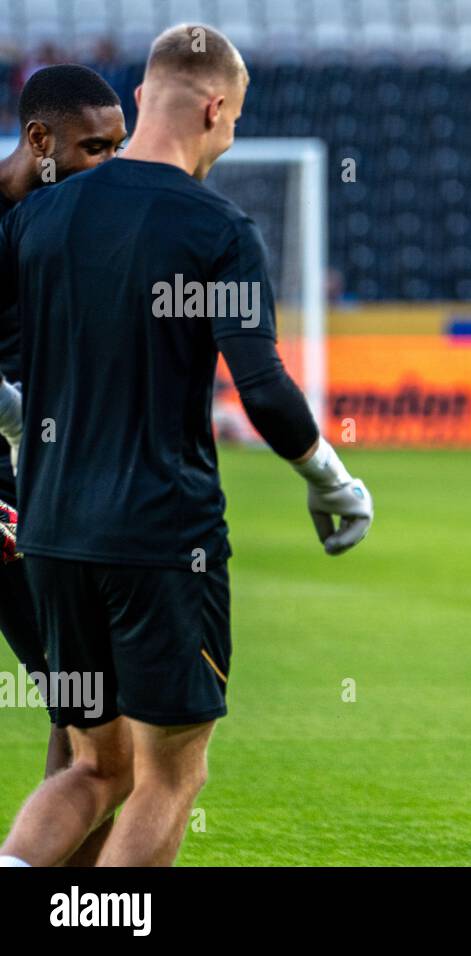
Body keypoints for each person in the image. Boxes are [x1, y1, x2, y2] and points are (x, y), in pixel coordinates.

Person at [0, 24, 373, 868]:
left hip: (50, 535)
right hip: (162, 539)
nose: (231, 135)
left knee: (95, 765)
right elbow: (266, 387)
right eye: (234, 120)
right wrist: (333, 482)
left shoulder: (39, 216)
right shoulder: (218, 229)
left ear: (139, 101)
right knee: (171, 775)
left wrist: (23, 420)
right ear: (215, 109)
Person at [0, 63, 127, 866]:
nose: (109, 166)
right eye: (94, 148)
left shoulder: (74, 230)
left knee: (87, 712)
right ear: (39, 140)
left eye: (120, 148)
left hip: (50, 490)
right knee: (105, 730)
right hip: (12, 494)